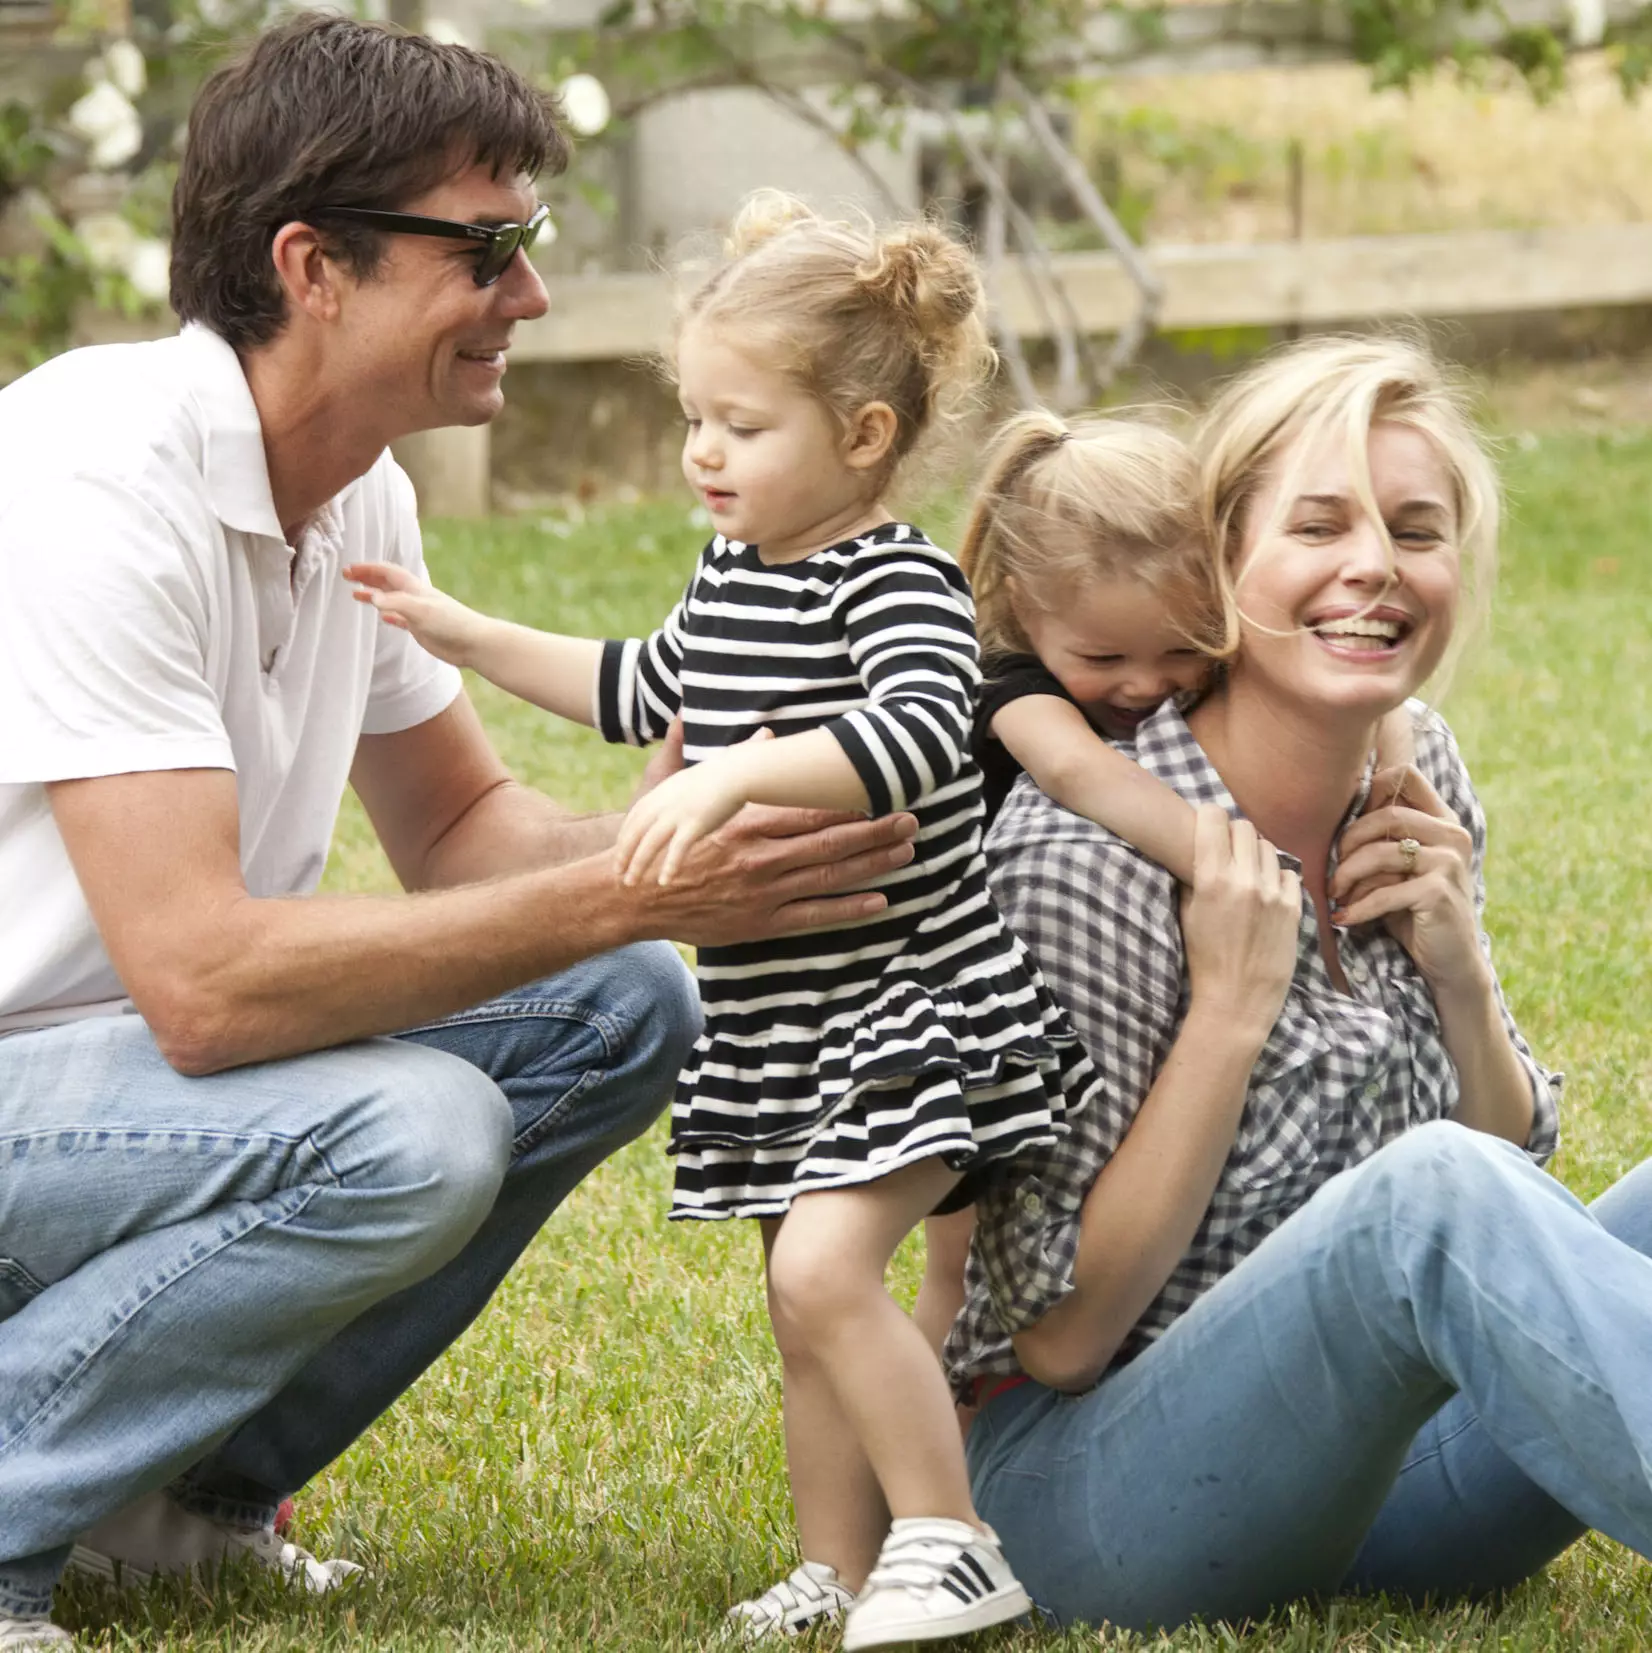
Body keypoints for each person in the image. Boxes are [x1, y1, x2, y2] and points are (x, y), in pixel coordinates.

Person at [0, 22, 918, 1651]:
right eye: (485, 251)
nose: (531, 296)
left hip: (123, 1092)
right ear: (314, 266)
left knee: (632, 1001)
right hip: (38, 1075)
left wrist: (683, 839)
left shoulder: (357, 488)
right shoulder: (92, 474)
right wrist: (624, 894)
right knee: (409, 1129)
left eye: (529, 246)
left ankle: (178, 1506)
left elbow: (467, 831)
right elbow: (204, 983)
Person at [346, 191, 1101, 1648]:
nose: (703, 451)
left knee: (829, 1271)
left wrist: (741, 769)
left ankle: (950, 1541)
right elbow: (644, 685)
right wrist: (467, 634)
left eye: (741, 426)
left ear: (862, 439)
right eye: (695, 417)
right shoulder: (736, 577)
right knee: (798, 1299)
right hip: (790, 1020)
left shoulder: (896, 582)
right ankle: (836, 1560)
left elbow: (917, 735)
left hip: (907, 1011)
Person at [941, 332, 1652, 1631]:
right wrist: (1227, 1011)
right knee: (1428, 1198)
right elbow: (1058, 1337)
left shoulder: (1415, 774)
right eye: (1320, 524)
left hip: (1382, 1472)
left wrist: (1460, 968)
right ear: (1221, 569)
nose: (1376, 564)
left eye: (1417, 529)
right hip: (1099, 1497)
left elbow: (1508, 1180)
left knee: (1479, 1193)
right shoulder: (1077, 864)